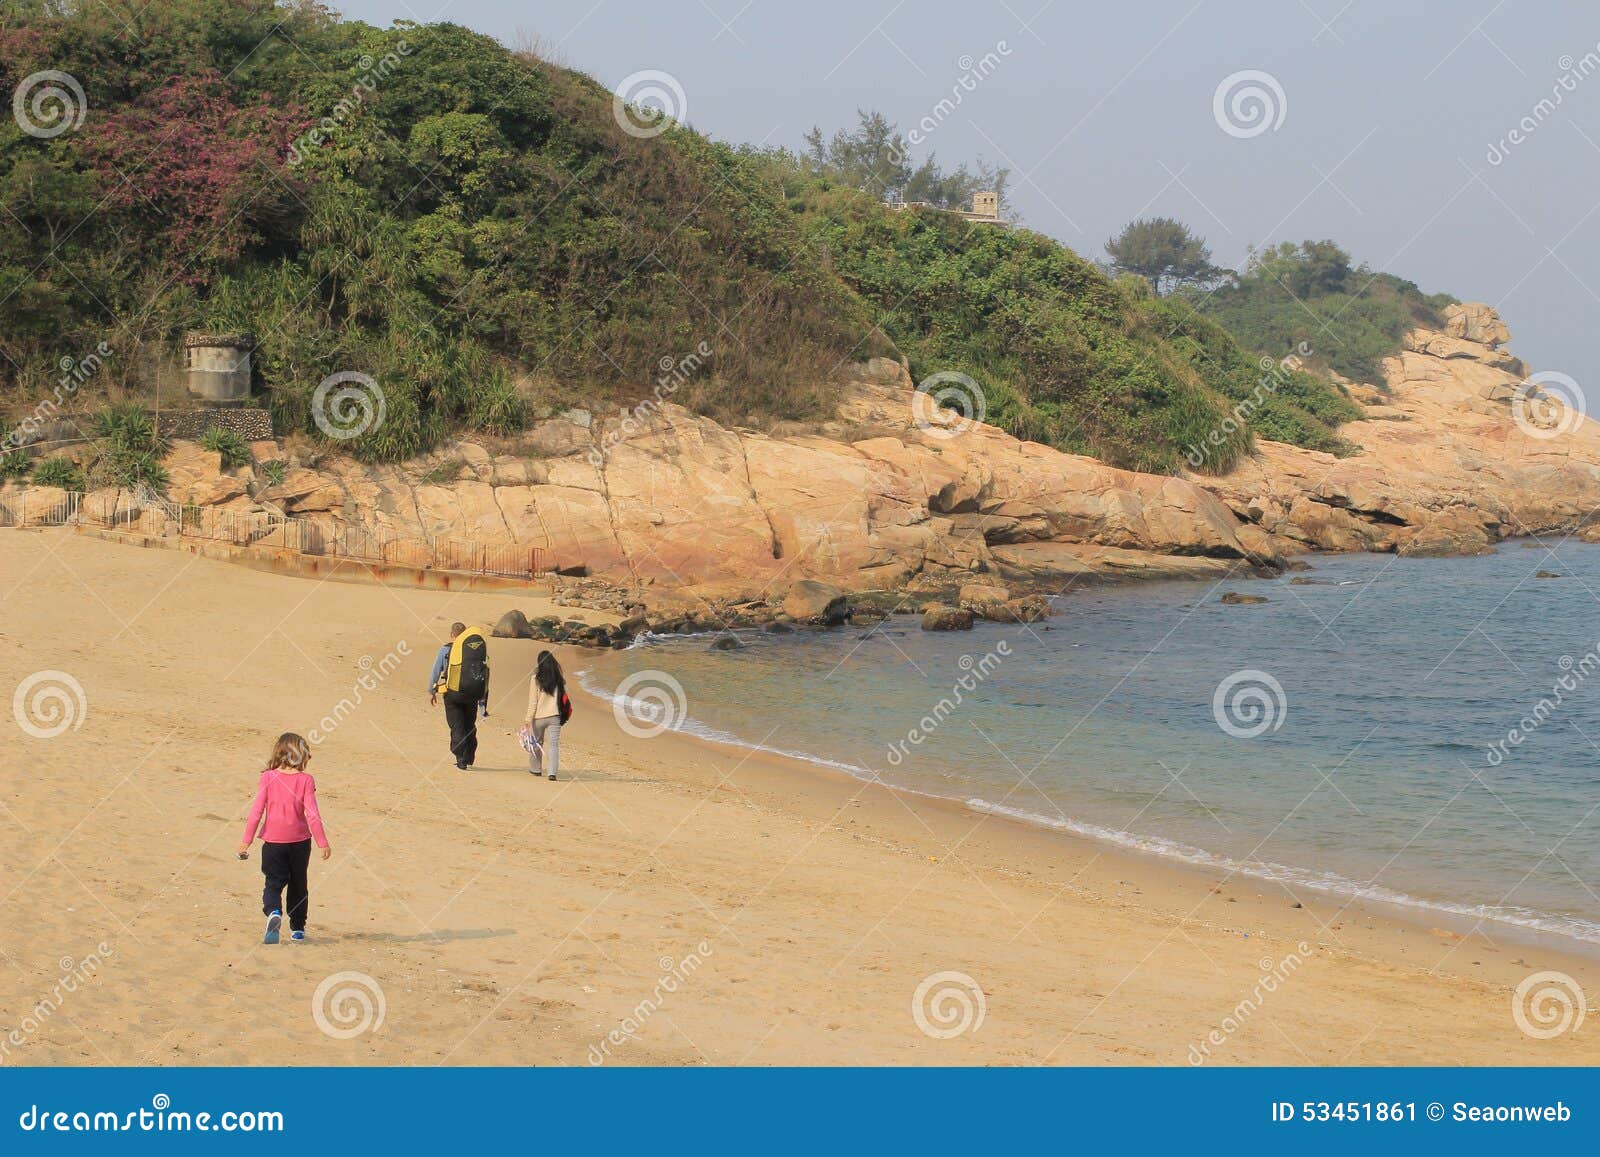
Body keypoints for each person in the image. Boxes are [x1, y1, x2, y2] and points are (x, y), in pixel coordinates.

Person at [237, 732, 330, 944]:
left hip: (273, 842)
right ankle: (297, 928)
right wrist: (322, 842)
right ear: (302, 755)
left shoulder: (267, 778)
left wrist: (247, 840)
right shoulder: (306, 780)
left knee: (273, 883)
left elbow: (256, 811)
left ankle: (274, 912)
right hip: (299, 843)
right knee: (298, 884)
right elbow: (312, 814)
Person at [429, 622, 490, 769]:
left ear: (452, 635)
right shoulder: (476, 649)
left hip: (453, 694)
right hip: (473, 694)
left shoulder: (445, 650)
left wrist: (432, 691)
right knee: (469, 724)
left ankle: (461, 758)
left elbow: (436, 671)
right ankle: (469, 756)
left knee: (457, 725)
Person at [523, 649, 570, 781]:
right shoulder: (559, 679)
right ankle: (552, 773)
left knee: (536, 743)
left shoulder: (535, 679)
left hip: (539, 717)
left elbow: (533, 702)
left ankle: (536, 769)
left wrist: (527, 719)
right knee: (554, 745)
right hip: (555, 716)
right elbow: (564, 698)